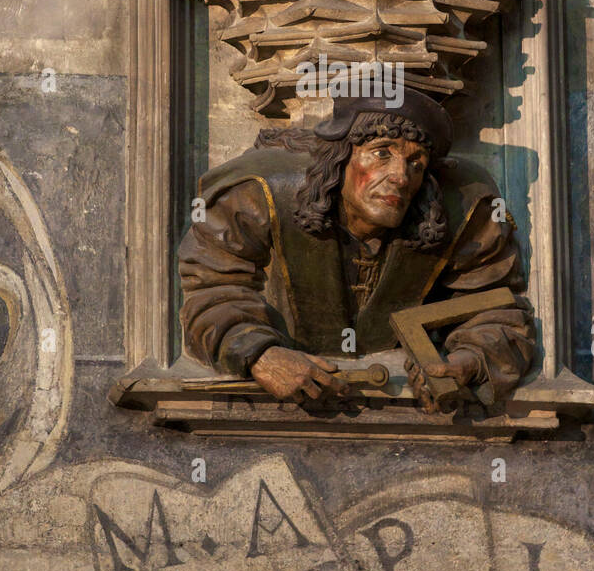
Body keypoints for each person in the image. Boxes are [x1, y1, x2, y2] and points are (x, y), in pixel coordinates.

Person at [179, 89, 535, 411]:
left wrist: (470, 361)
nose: (401, 176)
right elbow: (211, 288)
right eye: (381, 154)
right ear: (341, 158)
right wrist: (258, 354)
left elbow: (497, 307)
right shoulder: (261, 192)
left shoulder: (463, 209)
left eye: (417, 162)